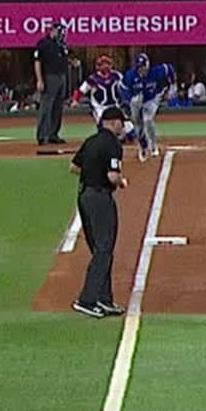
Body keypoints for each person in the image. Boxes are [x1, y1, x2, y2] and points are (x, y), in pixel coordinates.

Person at [70, 106, 129, 319]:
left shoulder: (91, 141)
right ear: (113, 122)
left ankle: (105, 299)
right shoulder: (113, 144)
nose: (123, 127)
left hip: (84, 196)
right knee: (104, 248)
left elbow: (74, 167)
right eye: (121, 122)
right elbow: (113, 176)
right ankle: (87, 299)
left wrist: (92, 172)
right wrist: (121, 182)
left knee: (98, 247)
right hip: (100, 198)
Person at [123, 53, 175, 162]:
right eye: (139, 67)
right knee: (138, 126)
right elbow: (124, 90)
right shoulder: (130, 76)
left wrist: (172, 87)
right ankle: (142, 147)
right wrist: (128, 103)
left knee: (148, 120)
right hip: (136, 100)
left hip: (152, 98)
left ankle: (153, 146)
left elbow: (169, 69)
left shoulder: (156, 72)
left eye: (143, 66)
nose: (141, 69)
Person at [34, 21, 70, 146]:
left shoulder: (61, 45)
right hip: (49, 76)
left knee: (58, 107)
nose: (61, 34)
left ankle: (53, 134)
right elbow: (37, 62)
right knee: (46, 106)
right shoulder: (43, 44)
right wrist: (39, 79)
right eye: (59, 31)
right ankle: (42, 135)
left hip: (62, 76)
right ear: (53, 30)